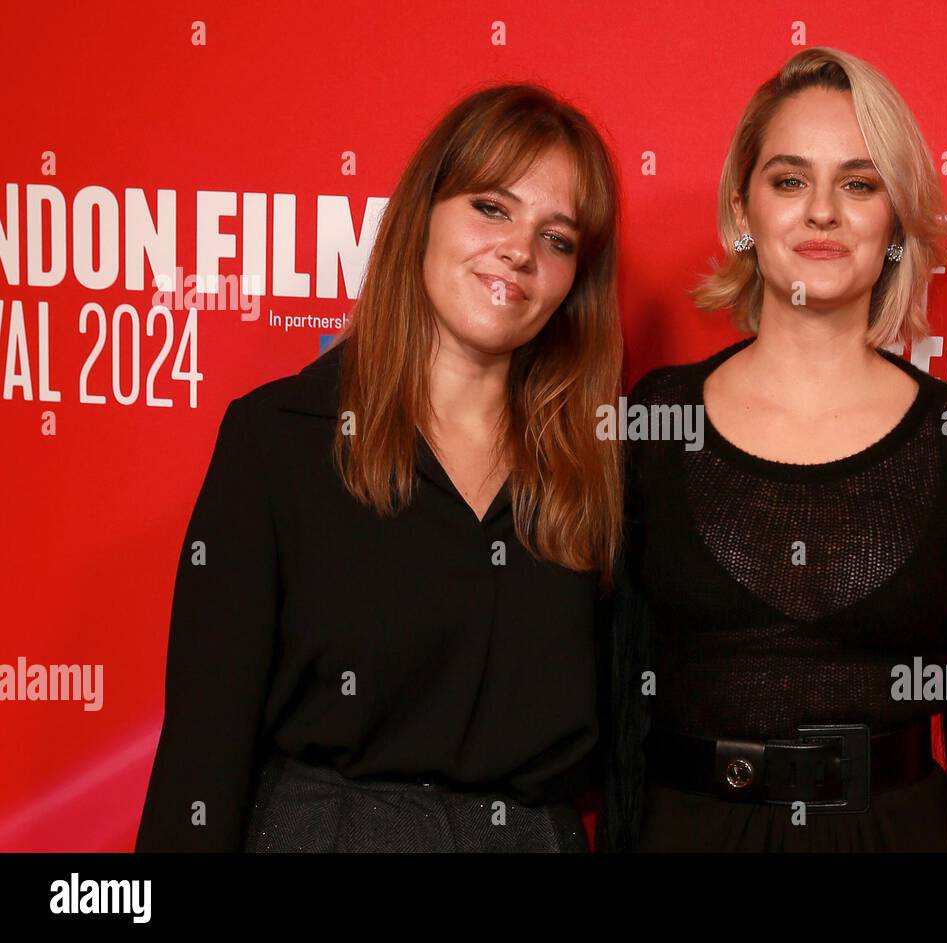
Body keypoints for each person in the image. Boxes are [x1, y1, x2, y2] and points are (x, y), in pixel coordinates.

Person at [135, 83, 624, 852]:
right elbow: (204, 752)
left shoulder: (600, 465)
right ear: (421, 213)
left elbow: (634, 743)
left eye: (557, 238)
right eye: (491, 207)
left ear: (575, 285)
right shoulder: (279, 440)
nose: (520, 252)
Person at [599, 47, 947, 853]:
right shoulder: (654, 422)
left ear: (896, 221)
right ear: (744, 210)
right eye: (791, 179)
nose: (823, 213)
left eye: (860, 183)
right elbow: (618, 698)